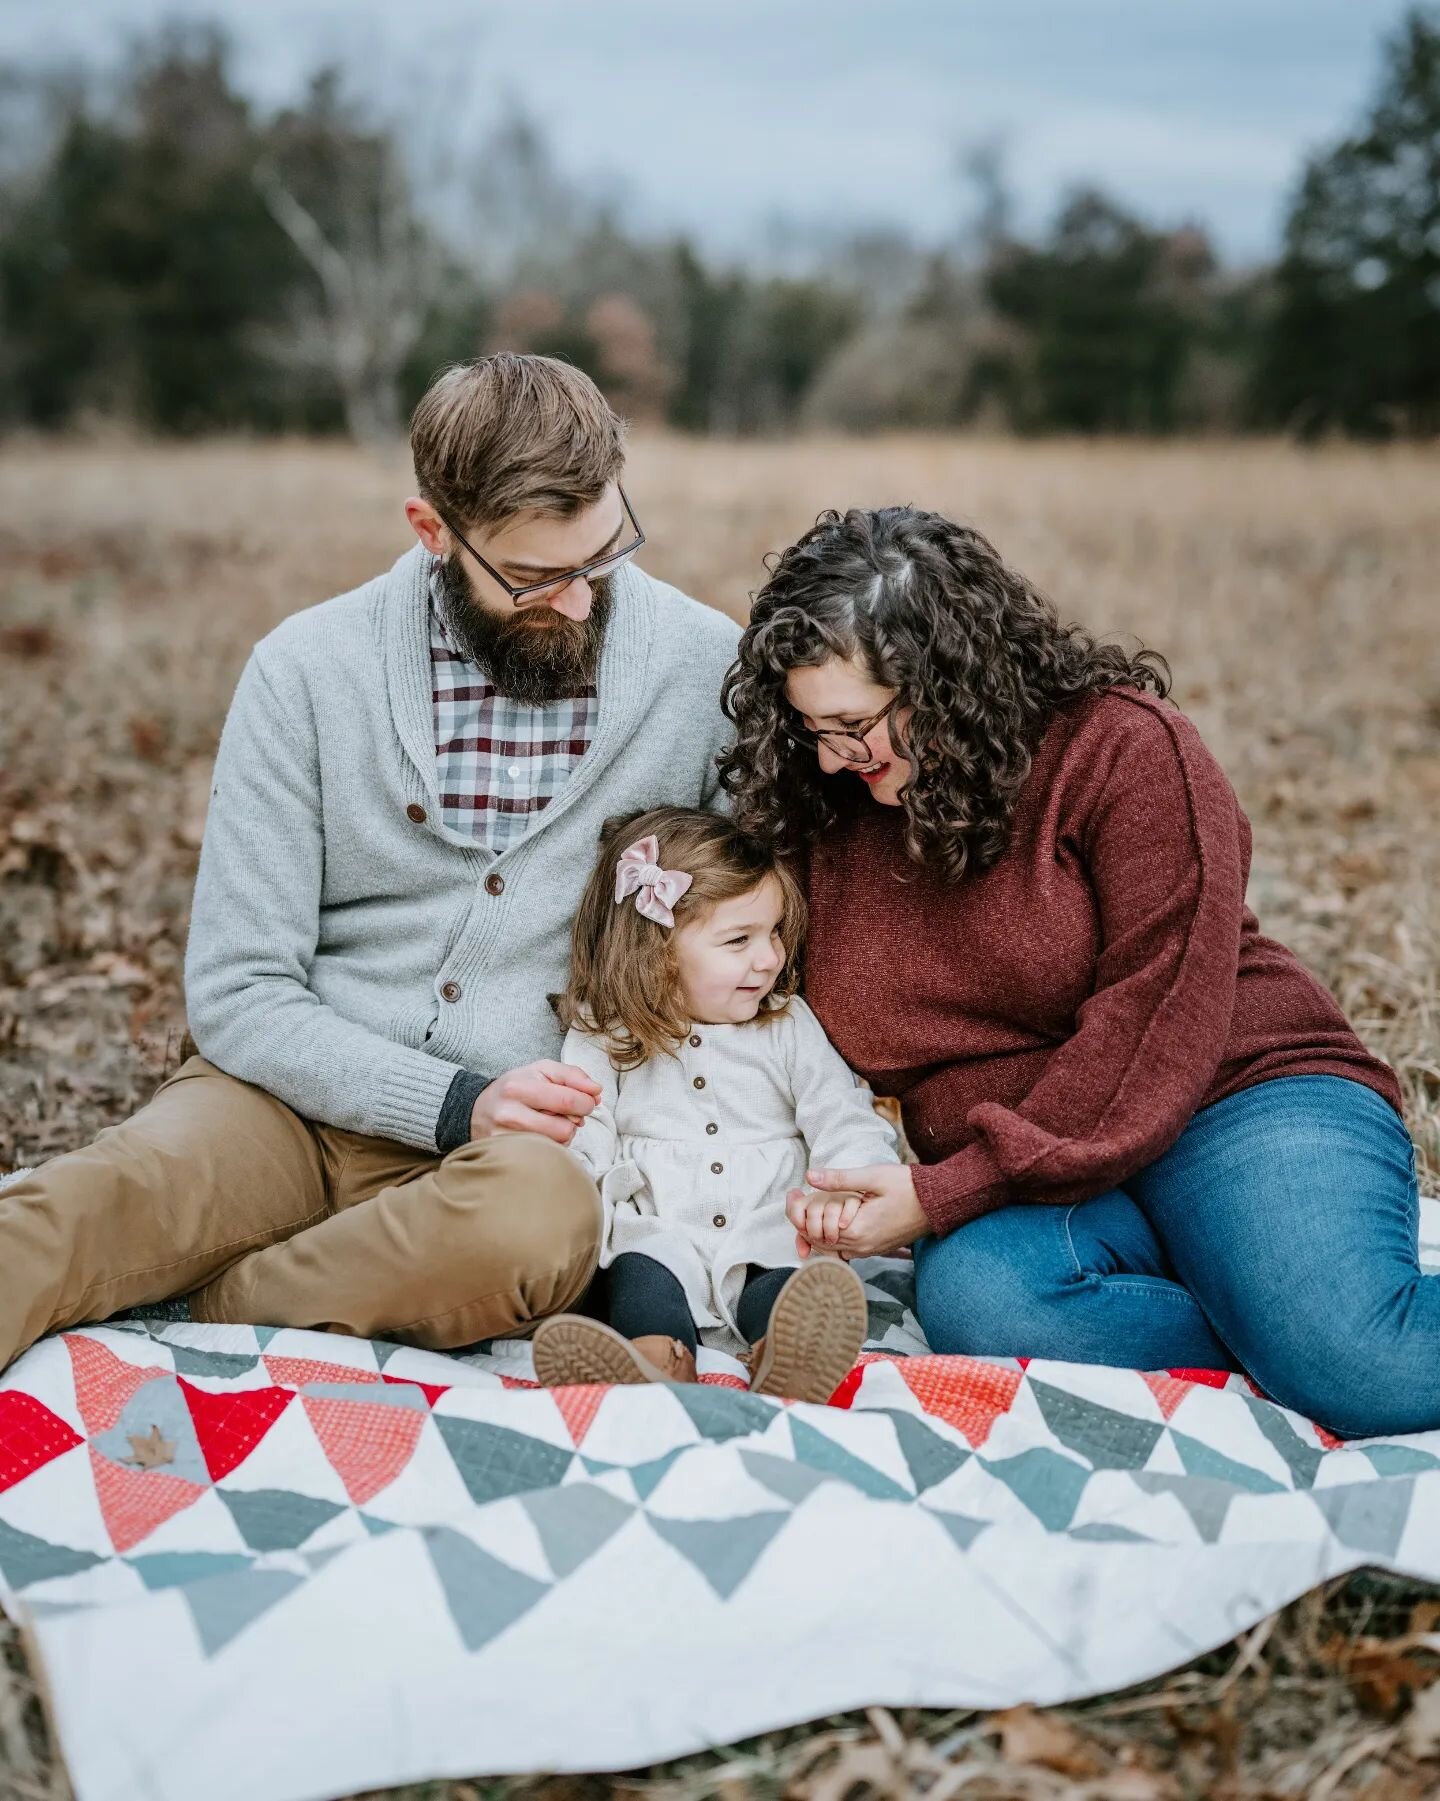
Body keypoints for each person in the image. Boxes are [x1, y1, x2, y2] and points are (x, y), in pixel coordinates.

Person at [0, 355, 740, 1373]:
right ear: (433, 531)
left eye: (604, 554)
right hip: (278, 1105)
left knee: (540, 1224)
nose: (577, 601)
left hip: (514, 1157)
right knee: (79, 1208)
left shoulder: (706, 671)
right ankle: (233, 1267)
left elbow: (755, 931)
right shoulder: (305, 670)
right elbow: (240, 988)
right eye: (533, 577)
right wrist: (442, 1100)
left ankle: (217, 1302)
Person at [717, 504, 1435, 1440]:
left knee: (1359, 1363)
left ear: (942, 680)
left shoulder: (1123, 750)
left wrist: (941, 1192)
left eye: (855, 724)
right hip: (1039, 1176)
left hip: (1236, 1101)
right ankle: (1266, 1311)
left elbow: (1154, 1022)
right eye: (811, 727)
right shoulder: (826, 808)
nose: (831, 755)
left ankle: (1296, 1318)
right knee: (985, 1305)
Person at [531, 807, 887, 1402]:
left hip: (770, 1219)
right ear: (660, 952)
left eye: (774, 932)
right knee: (641, 1275)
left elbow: (838, 1110)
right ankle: (652, 1362)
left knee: (788, 1279)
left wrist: (843, 1186)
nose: (769, 958)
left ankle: (785, 1353)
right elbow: (584, 1122)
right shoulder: (607, 1031)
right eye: (739, 940)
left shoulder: (786, 1022)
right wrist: (568, 1189)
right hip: (660, 1220)